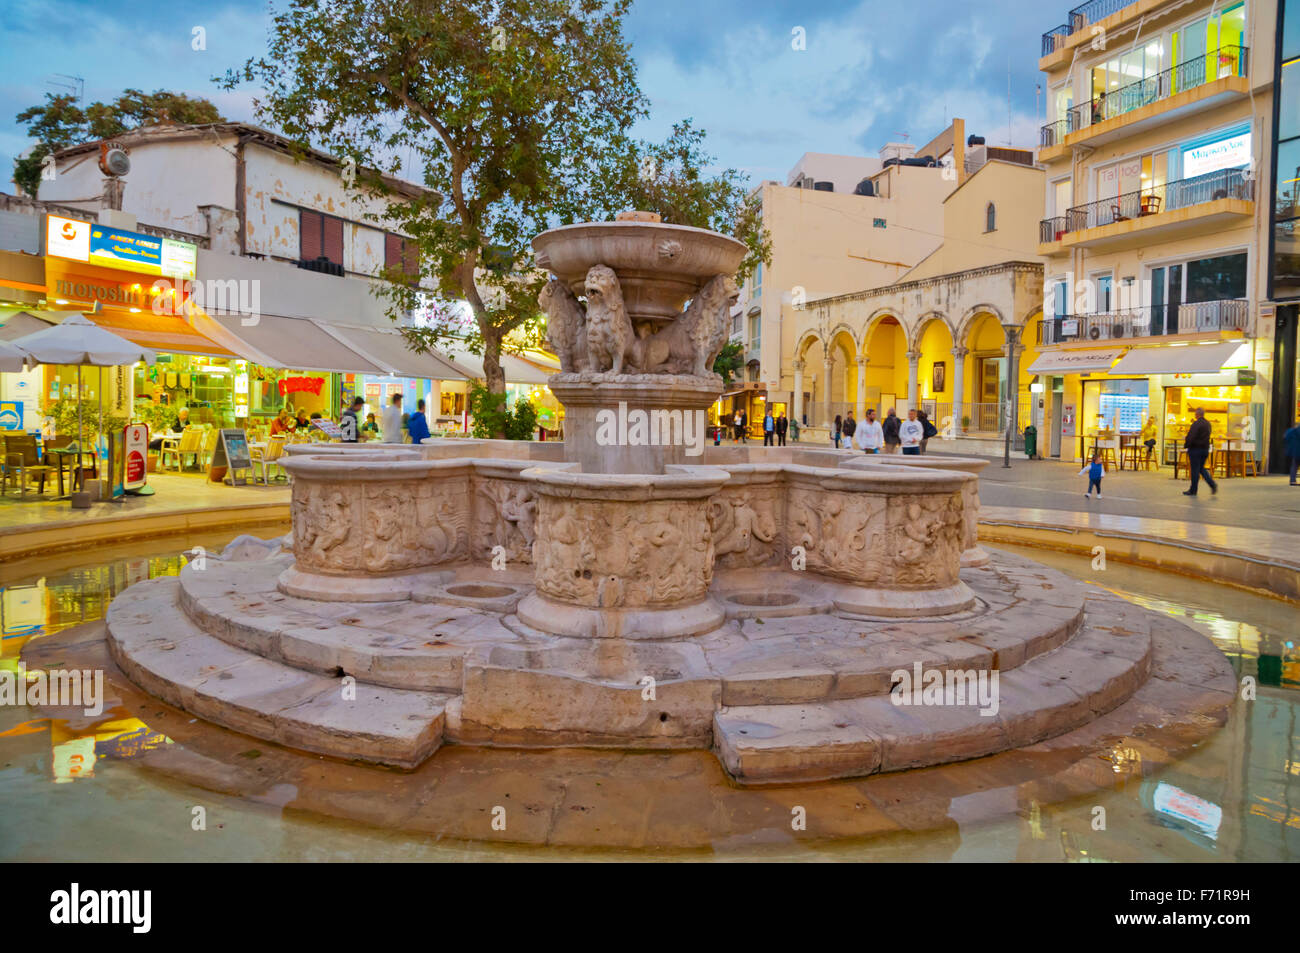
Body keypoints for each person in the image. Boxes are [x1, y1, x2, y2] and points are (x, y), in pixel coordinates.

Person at [1182, 407, 1217, 497]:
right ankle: (1212, 484)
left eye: (1195, 414)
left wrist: (1186, 445)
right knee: (1201, 468)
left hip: (1195, 450)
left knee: (1195, 470)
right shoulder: (1208, 424)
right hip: (1205, 449)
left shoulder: (1196, 424)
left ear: (1197, 414)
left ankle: (1193, 490)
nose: (1195, 415)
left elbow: (1191, 436)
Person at [1284, 419, 1300, 486]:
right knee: (1294, 465)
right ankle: (1293, 480)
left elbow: (1285, 438)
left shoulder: (1290, 431)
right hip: (1298, 450)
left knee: (1294, 465)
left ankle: (1292, 480)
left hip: (1294, 451)